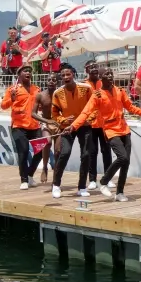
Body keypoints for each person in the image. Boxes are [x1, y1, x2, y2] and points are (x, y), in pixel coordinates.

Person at [66, 67, 141, 201]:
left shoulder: (120, 91)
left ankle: (120, 192)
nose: (110, 76)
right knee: (122, 157)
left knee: (126, 162)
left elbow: (130, 107)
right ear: (101, 77)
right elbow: (85, 112)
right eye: (106, 74)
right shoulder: (97, 95)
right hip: (110, 130)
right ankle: (103, 181)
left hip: (124, 129)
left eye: (111, 74)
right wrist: (74, 126)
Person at [46, 65, 95, 199]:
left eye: (68, 74)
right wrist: (63, 120)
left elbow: (95, 106)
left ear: (73, 74)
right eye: (63, 75)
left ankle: (82, 187)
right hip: (67, 127)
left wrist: (89, 119)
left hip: (84, 125)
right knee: (64, 153)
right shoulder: (57, 93)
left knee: (86, 155)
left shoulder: (86, 88)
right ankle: (56, 185)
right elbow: (54, 114)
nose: (66, 77)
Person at [1, 65, 43, 190]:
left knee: (41, 150)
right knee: (23, 151)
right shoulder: (12, 89)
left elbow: (40, 105)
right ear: (19, 75)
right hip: (19, 126)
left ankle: (29, 175)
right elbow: (3, 105)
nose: (28, 73)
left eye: (29, 71)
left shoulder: (37, 89)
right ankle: (24, 180)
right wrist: (12, 99)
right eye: (25, 71)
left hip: (34, 125)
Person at [82, 61, 113, 190]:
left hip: (104, 123)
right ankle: (92, 179)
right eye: (91, 67)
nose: (94, 69)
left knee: (107, 151)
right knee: (92, 152)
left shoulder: (104, 82)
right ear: (86, 70)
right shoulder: (83, 85)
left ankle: (108, 178)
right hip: (90, 124)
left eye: (96, 67)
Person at [31, 73, 60, 184]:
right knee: (47, 142)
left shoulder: (60, 94)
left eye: (54, 80)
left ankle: (56, 174)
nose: (51, 82)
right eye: (49, 80)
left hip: (58, 123)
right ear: (46, 82)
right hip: (46, 122)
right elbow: (33, 114)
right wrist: (47, 121)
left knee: (58, 151)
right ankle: (44, 167)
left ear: (57, 82)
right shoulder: (40, 95)